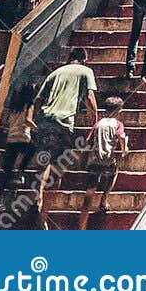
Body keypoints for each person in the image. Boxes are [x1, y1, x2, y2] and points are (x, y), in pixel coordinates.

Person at [27, 46, 97, 225]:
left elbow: (37, 100)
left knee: (44, 163)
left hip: (45, 121)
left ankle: (38, 194)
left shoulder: (54, 73)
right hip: (64, 124)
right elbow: (89, 97)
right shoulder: (85, 71)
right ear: (84, 59)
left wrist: (34, 120)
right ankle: (43, 217)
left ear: (69, 57)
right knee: (57, 171)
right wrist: (94, 121)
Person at [78, 95, 128, 229]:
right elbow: (121, 136)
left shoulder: (98, 124)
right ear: (118, 111)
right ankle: (104, 198)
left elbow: (88, 141)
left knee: (89, 194)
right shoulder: (118, 124)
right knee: (114, 172)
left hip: (94, 161)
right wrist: (124, 149)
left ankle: (81, 226)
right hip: (108, 160)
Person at [0, 78, 36, 191]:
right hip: (23, 137)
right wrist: (36, 128)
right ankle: (21, 171)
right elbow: (27, 120)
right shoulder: (29, 105)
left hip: (11, 139)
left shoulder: (13, 106)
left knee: (8, 165)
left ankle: (2, 189)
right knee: (32, 149)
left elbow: (4, 122)